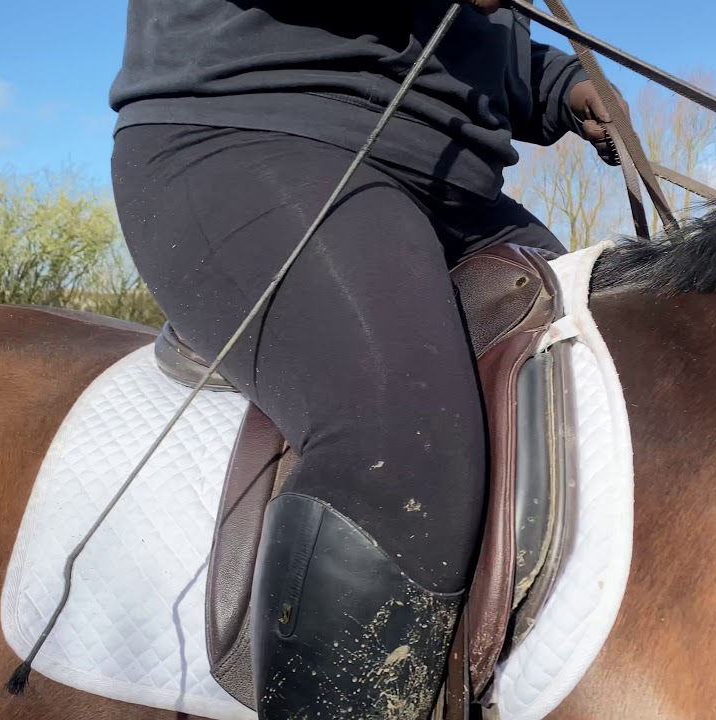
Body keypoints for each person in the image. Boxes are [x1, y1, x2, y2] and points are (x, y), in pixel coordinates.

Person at [108, 0, 617, 716]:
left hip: (459, 191)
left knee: (619, 373)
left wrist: (557, 84)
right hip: (253, 129)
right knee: (403, 438)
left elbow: (463, 40)